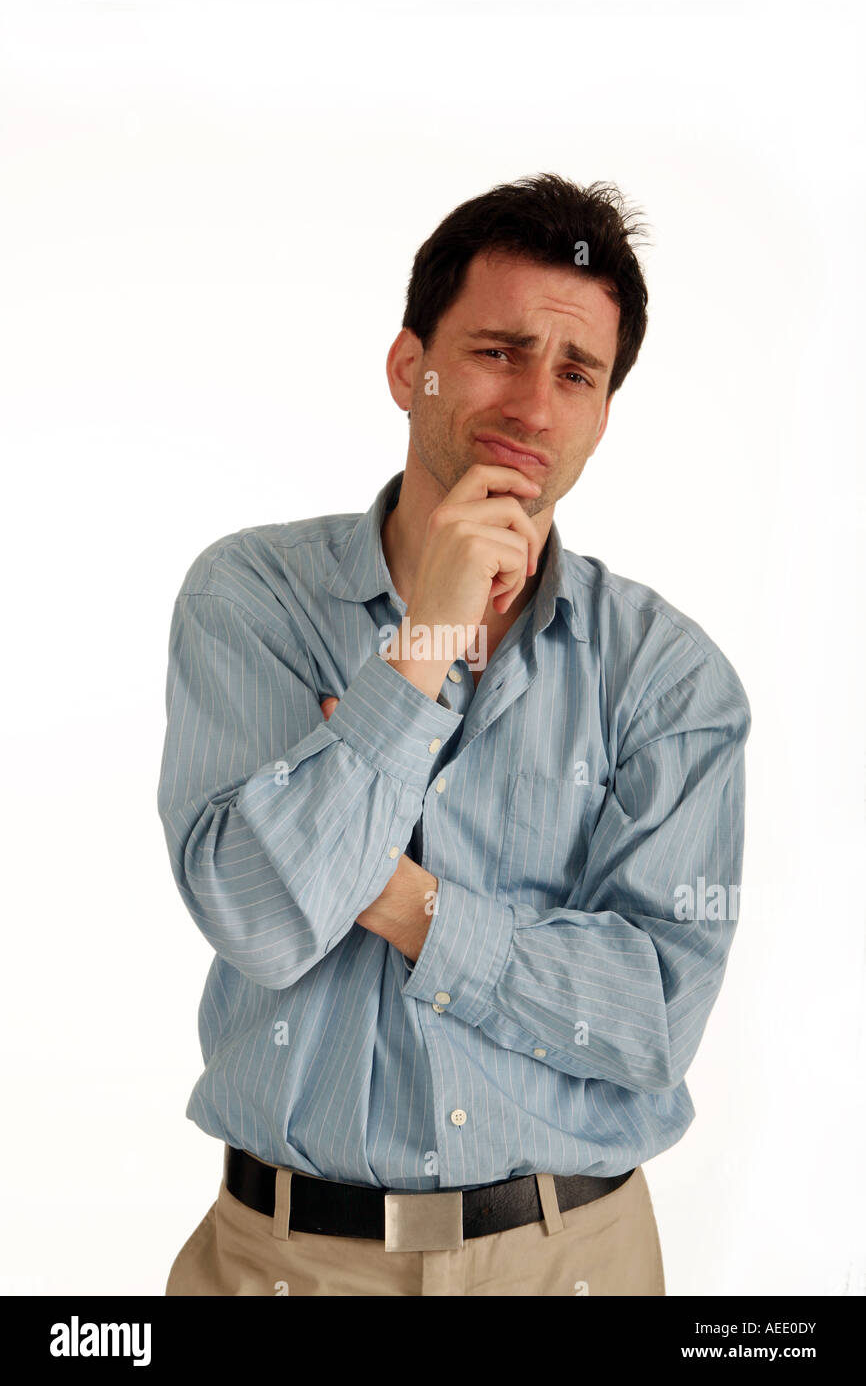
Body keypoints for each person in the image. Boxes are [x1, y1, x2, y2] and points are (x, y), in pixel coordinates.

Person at [157, 172, 750, 1296]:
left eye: (573, 372)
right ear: (406, 367)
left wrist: (398, 900)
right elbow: (263, 917)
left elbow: (647, 1019)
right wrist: (422, 641)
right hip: (284, 1265)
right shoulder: (251, 601)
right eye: (496, 350)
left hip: (569, 1265)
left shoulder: (671, 680)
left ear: (601, 414)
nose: (533, 402)